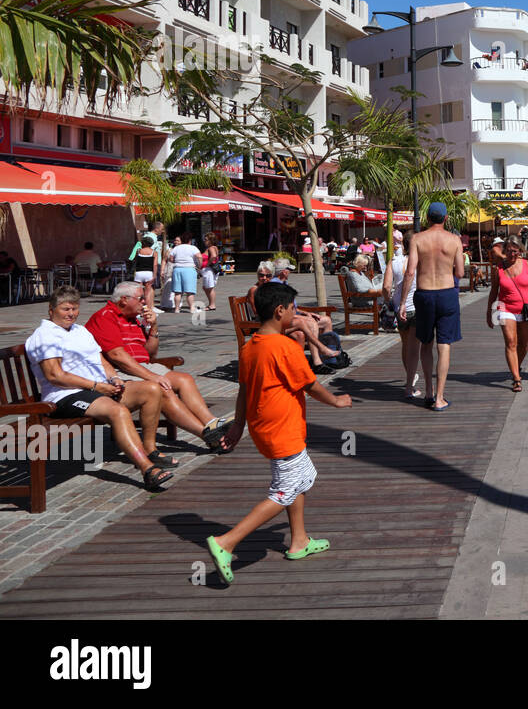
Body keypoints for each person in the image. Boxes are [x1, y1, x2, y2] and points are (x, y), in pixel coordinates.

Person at [205, 281, 353, 584]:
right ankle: (227, 542)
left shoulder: (250, 347)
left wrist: (237, 425)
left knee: (300, 478)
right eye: (292, 310)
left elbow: (243, 391)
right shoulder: (287, 346)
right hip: (283, 429)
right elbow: (310, 385)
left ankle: (299, 541)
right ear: (279, 310)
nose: (295, 314)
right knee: (284, 490)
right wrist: (337, 400)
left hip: (265, 428)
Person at [25, 286, 174, 490]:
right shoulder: (45, 335)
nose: (71, 314)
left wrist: (113, 378)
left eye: (75, 309)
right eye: (66, 309)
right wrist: (96, 386)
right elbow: (55, 375)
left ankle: (149, 449)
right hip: (64, 396)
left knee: (152, 390)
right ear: (51, 310)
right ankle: (147, 469)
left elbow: (100, 359)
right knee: (118, 411)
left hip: (96, 390)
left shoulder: (79, 330)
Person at [86, 282, 230, 452]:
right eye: (141, 298)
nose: (145, 303)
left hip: (142, 366)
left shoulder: (133, 318)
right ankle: (206, 435)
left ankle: (211, 422)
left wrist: (153, 327)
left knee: (185, 379)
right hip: (120, 371)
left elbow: (150, 354)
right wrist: (152, 376)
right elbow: (118, 357)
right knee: (163, 390)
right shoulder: (105, 317)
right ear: (124, 300)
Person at [399, 202, 464, 411]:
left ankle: (428, 390)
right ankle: (440, 397)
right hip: (447, 294)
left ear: (427, 218)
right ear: (445, 219)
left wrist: (402, 302)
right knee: (444, 345)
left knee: (426, 343)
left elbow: (410, 272)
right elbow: (461, 273)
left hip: (424, 294)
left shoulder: (418, 239)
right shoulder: (454, 240)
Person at [486, 235, 528, 393]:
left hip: (525, 308)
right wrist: (489, 312)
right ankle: (516, 379)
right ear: (504, 251)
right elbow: (494, 292)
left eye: (515, 251)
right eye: (508, 251)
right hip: (505, 308)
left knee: (524, 345)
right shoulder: (498, 269)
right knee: (511, 342)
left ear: (520, 251)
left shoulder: (527, 265)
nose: (512, 254)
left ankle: (515, 366)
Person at [383, 232, 421, 397]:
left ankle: (410, 378)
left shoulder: (394, 261)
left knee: (406, 345)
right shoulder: (421, 261)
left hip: (399, 308)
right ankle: (410, 385)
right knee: (415, 349)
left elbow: (385, 287)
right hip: (416, 306)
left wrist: (389, 302)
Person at [169, 233, 201, 314]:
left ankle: (176, 309)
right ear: (190, 240)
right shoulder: (193, 248)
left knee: (177, 291)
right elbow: (199, 257)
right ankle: (191, 308)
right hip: (189, 269)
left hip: (177, 269)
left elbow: (171, 258)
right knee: (190, 291)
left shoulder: (176, 248)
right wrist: (199, 266)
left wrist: (176, 261)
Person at [131, 234, 159, 310]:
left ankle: (137, 309)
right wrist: (155, 275)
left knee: (138, 293)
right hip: (149, 273)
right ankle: (148, 309)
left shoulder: (139, 251)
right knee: (148, 293)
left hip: (139, 273)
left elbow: (135, 261)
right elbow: (155, 265)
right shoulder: (154, 252)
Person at [200, 232, 221, 311]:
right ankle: (211, 303)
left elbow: (214, 256)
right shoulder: (213, 247)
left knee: (209, 287)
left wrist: (207, 264)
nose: (204, 241)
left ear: (211, 240)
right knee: (206, 287)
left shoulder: (211, 248)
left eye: (206, 240)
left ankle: (212, 305)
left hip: (209, 271)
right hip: (208, 271)